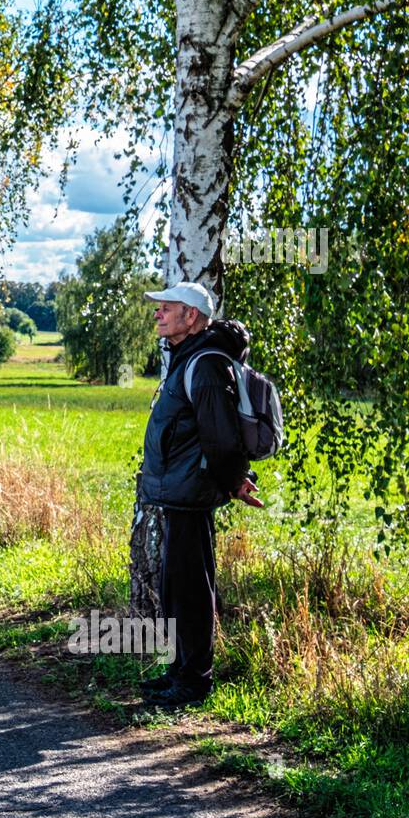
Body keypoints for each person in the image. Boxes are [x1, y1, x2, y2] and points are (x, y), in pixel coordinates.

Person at [135, 281, 261, 708]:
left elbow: (220, 437)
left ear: (192, 316)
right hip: (178, 493)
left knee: (191, 589)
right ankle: (179, 672)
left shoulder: (204, 365)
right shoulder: (186, 358)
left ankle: (195, 682)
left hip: (192, 494)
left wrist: (234, 480)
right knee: (176, 588)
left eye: (167, 307)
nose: (158, 313)